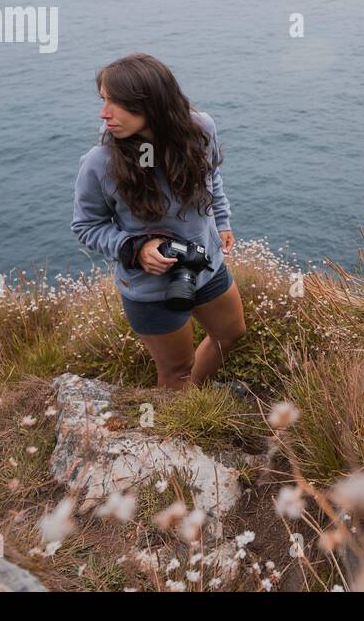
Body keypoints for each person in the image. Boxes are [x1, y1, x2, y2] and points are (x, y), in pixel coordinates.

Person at [72, 53, 246, 389]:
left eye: (116, 102)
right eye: (104, 100)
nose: (104, 112)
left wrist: (222, 221)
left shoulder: (199, 130)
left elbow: (212, 176)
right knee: (177, 369)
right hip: (150, 286)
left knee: (230, 332)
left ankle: (194, 394)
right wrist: (134, 248)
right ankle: (182, 428)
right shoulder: (100, 163)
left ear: (150, 103)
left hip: (205, 264)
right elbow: (85, 226)